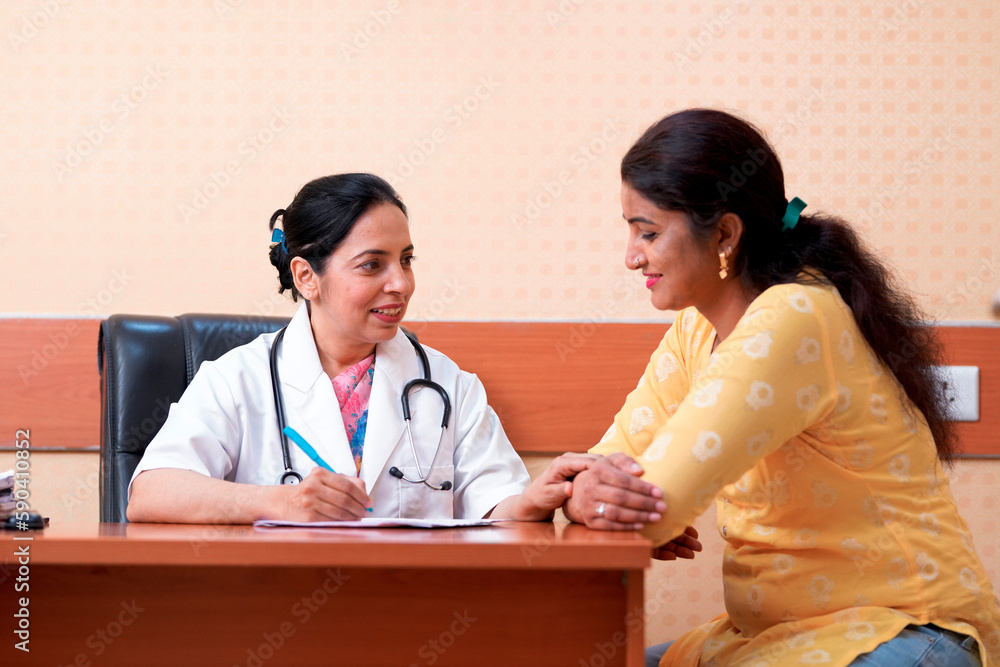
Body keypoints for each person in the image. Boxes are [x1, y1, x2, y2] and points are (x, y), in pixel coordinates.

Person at [562, 109, 1000, 666]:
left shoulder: (794, 317)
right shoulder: (694, 331)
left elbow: (653, 505)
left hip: (900, 631)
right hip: (777, 638)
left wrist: (597, 498)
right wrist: (583, 491)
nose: (630, 256)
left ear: (724, 233)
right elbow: (608, 463)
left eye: (647, 232)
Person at [127, 173, 590, 524]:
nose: (401, 284)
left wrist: (535, 498)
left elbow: (497, 507)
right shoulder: (237, 379)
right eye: (372, 265)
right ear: (307, 277)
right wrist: (280, 501)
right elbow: (150, 494)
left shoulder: (450, 386)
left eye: (406, 261)